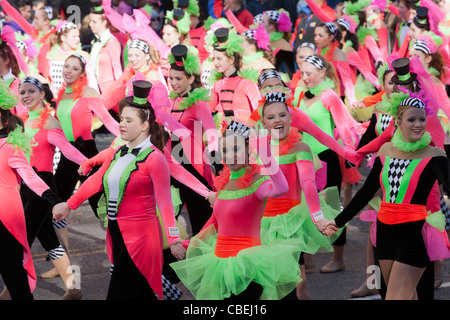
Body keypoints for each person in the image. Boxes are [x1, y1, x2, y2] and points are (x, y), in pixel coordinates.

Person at [53, 80, 186, 300]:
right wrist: (69, 204)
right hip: (117, 233)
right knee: (139, 293)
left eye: (128, 120)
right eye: (121, 118)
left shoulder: (155, 159)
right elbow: (96, 181)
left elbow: (164, 204)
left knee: (118, 293)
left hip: (142, 236)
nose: (121, 124)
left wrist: (173, 239)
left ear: (144, 126)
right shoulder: (118, 152)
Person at [324, 92, 450, 300]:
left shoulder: (434, 155)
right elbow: (366, 192)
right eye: (411, 119)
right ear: (398, 123)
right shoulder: (385, 151)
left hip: (413, 235)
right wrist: (338, 221)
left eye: (422, 119)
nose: (418, 124)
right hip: (384, 236)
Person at [170, 120, 303, 300]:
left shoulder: (258, 181)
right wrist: (187, 243)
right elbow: (214, 223)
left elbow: (281, 188)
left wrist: (266, 156)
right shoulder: (223, 183)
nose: (230, 155)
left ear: (248, 150)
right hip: (219, 264)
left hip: (247, 266)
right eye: (225, 150)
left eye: (236, 149)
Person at [41, 54, 119, 279]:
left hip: (88, 155)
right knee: (55, 207)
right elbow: (56, 125)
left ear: (82, 73)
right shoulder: (62, 93)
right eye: (66, 66)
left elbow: (109, 121)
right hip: (68, 156)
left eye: (74, 68)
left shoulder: (90, 94)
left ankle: (121, 258)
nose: (69, 71)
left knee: (102, 208)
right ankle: (61, 264)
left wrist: (132, 135)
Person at [259, 91, 343, 299]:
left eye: (282, 115)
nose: (277, 120)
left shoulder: (300, 147)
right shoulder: (258, 149)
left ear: (290, 118)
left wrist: (317, 217)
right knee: (266, 282)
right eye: (271, 117)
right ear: (263, 122)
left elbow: (307, 183)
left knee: (286, 281)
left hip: (290, 223)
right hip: (260, 224)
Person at [17, 77, 85, 300]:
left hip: (42, 186)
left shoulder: (49, 122)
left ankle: (12, 289)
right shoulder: (22, 120)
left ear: (41, 94)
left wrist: (90, 163)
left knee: (20, 240)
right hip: (25, 186)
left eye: (31, 91)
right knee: (48, 239)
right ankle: (73, 288)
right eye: (22, 92)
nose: (26, 95)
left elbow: (68, 150)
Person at [0, 82, 62, 300]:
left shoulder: (10, 145)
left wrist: (54, 200)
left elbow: (31, 176)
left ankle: (73, 287)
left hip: (7, 215)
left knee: (14, 275)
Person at [167, 44, 219, 234]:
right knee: (168, 215)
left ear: (191, 78)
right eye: (171, 78)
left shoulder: (199, 103)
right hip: (171, 164)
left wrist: (217, 164)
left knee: (200, 221)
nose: (173, 82)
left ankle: (206, 260)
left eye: (178, 78)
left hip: (193, 165)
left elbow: (212, 133)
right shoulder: (170, 100)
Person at [208, 27, 260, 127]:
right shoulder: (218, 84)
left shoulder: (247, 83)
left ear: (231, 60)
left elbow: (259, 108)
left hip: (247, 134)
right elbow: (207, 109)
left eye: (219, 58)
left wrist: (249, 127)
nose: (215, 63)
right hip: (227, 134)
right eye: (214, 58)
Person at [89, 0, 123, 95]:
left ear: (104, 22)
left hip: (109, 91)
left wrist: (119, 92)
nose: (90, 24)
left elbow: (117, 70)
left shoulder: (111, 41)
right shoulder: (95, 41)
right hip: (96, 90)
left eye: (94, 22)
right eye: (90, 21)